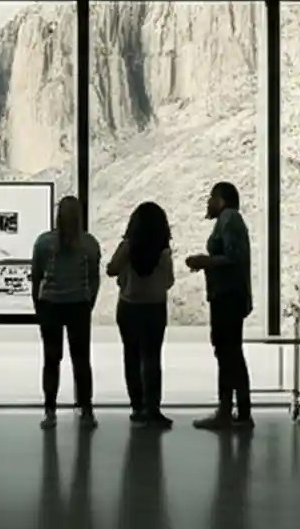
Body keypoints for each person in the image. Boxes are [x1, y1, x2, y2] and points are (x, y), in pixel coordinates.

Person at [186, 182, 254, 431]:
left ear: (222, 199)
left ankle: (235, 412)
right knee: (228, 352)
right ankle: (232, 410)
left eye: (211, 197)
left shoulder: (229, 219)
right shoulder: (228, 219)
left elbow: (232, 259)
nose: (208, 202)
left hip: (228, 297)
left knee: (229, 352)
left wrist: (205, 261)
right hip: (227, 296)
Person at [31, 196, 101, 430]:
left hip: (50, 305)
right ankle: (87, 410)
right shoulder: (89, 244)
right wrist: (87, 302)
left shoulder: (44, 242)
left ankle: (50, 411)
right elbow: (94, 279)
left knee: (51, 359)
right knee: (81, 360)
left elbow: (37, 277)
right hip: (78, 306)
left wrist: (38, 308)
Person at [107, 202, 175, 429]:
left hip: (129, 306)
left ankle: (137, 407)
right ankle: (153, 409)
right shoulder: (164, 252)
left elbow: (111, 269)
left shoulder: (127, 247)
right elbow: (169, 282)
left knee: (132, 356)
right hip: (155, 308)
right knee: (152, 358)